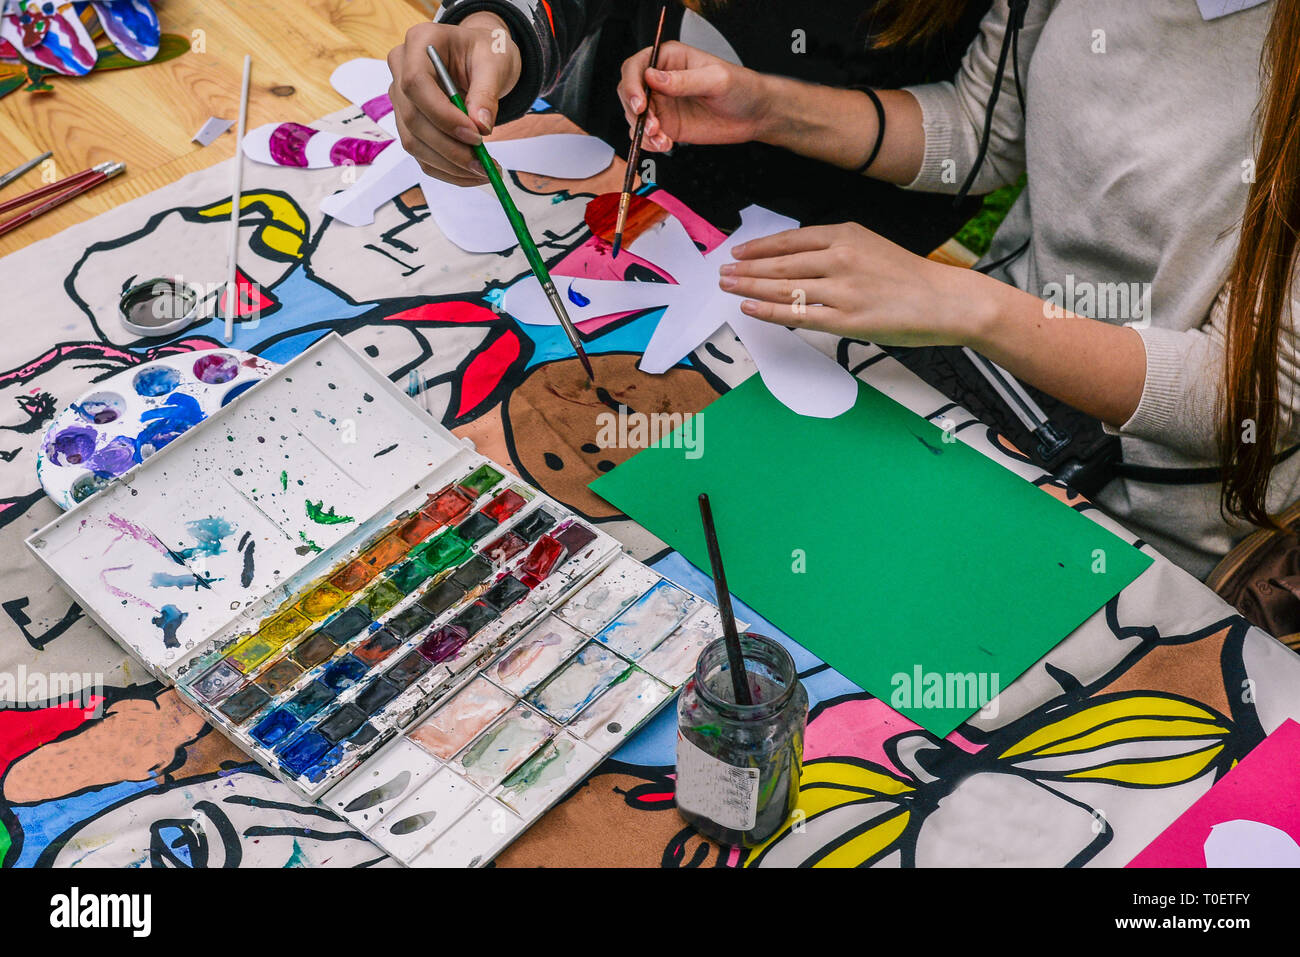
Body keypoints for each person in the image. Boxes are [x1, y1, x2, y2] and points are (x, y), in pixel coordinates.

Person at [386, 0, 991, 250]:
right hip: (623, 165)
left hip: (849, 237)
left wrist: (775, 110)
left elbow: (981, 132)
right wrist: (494, 28)